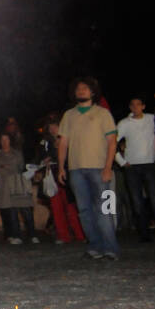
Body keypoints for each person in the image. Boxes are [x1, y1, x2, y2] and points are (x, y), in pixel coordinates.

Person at [57, 78, 120, 260]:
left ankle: (110, 248)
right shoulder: (69, 115)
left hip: (99, 168)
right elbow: (63, 143)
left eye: (85, 88)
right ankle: (94, 246)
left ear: (92, 92)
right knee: (84, 210)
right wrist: (62, 167)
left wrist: (108, 167)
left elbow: (112, 142)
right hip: (76, 170)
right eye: (78, 89)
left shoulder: (103, 114)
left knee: (104, 210)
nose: (81, 91)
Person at [117, 97, 155, 242]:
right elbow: (113, 142)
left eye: (138, 104)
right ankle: (144, 234)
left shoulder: (151, 119)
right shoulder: (124, 123)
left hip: (149, 164)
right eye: (132, 105)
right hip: (132, 167)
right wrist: (121, 161)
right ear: (130, 107)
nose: (135, 107)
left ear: (143, 106)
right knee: (137, 201)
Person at [0, 133, 38, 243]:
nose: (4, 142)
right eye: (2, 140)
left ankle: (32, 234)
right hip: (5, 185)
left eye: (6, 139)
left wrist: (5, 166)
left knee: (25, 209)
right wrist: (8, 167)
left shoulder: (17, 153)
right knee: (12, 211)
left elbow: (19, 167)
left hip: (18, 182)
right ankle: (17, 236)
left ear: (10, 140)